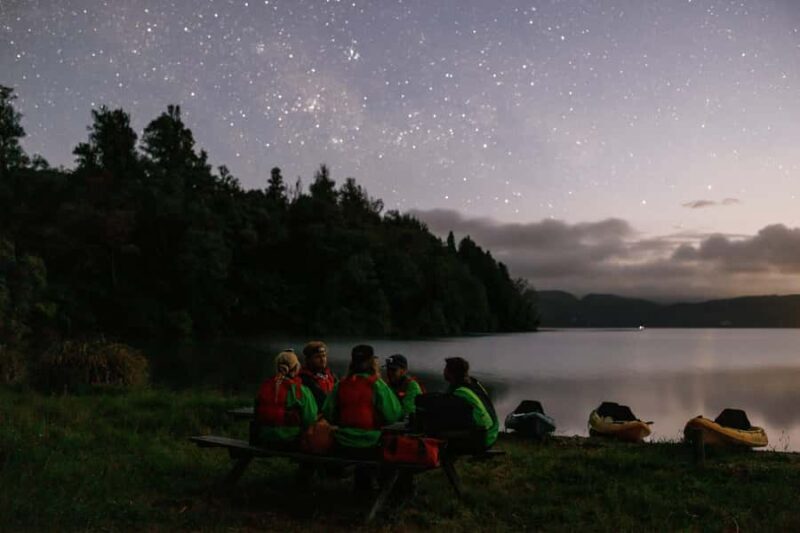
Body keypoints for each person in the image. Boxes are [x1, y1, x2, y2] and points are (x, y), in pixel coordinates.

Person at [323, 345, 402, 491]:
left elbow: (327, 412)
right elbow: (393, 415)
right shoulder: (377, 385)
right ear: (372, 362)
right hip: (370, 444)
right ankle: (377, 491)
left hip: (342, 443)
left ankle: (361, 487)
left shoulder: (341, 384)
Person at [252, 350, 318, 447]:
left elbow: (256, 412)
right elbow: (310, 418)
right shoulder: (300, 390)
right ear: (296, 368)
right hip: (290, 440)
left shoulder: (265, 386)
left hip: (265, 439)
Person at [443, 356, 499, 449]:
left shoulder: (460, 392)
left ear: (451, 373)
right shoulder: (474, 383)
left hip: (483, 438)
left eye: (445, 368)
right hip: (492, 432)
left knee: (439, 432)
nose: (443, 371)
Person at [299, 340, 338, 410]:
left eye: (324, 356)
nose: (322, 359)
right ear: (308, 359)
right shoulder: (304, 378)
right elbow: (322, 398)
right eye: (317, 357)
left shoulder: (329, 374)